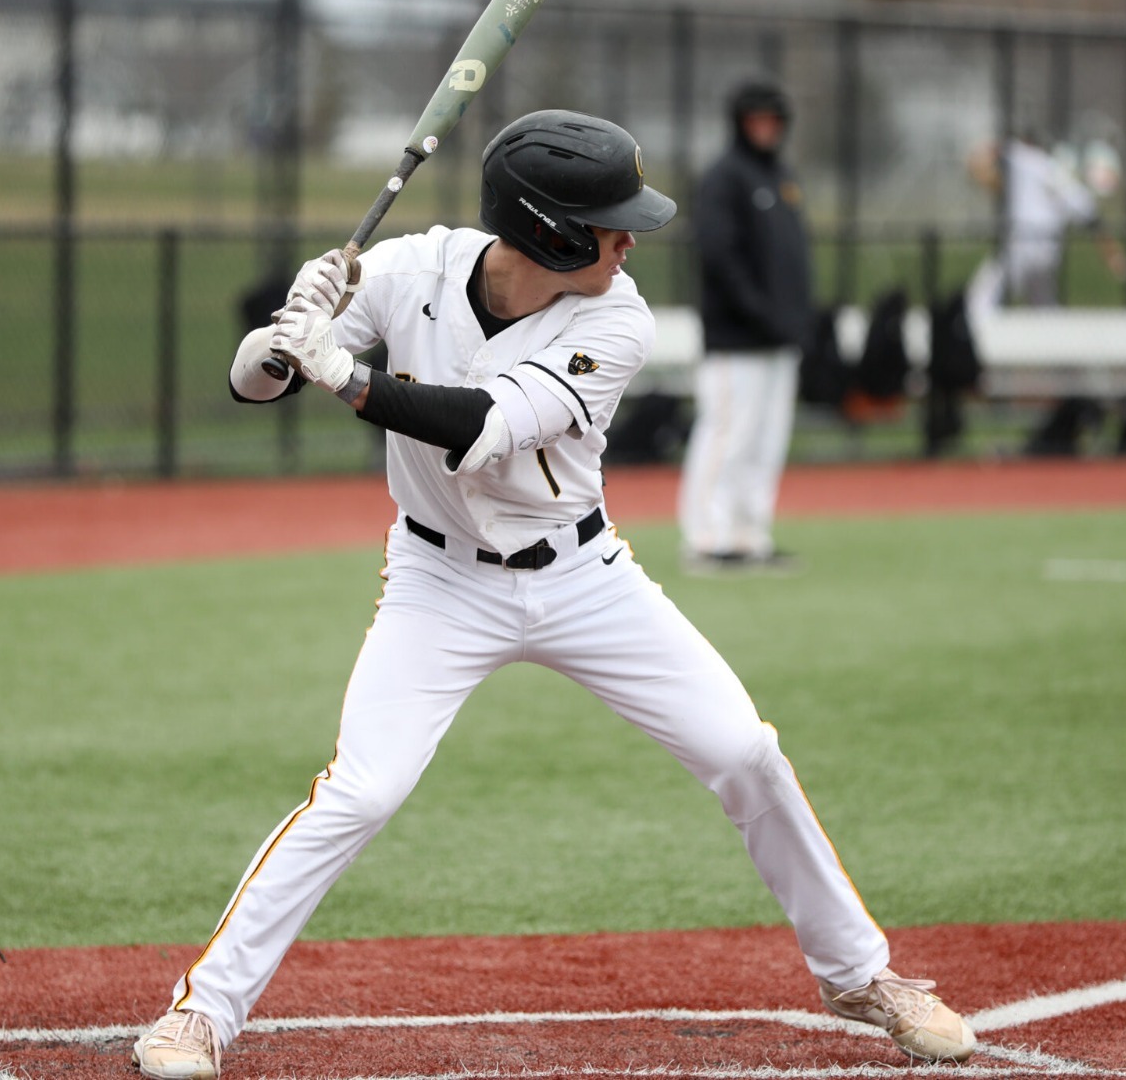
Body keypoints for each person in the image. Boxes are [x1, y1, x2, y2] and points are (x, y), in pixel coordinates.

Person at [132, 109, 975, 1080]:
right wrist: (289, 325)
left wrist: (345, 375)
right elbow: (253, 385)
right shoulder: (407, 271)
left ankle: (859, 975)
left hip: (583, 578)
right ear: (550, 231)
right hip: (437, 581)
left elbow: (480, 424)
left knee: (744, 751)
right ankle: (201, 1013)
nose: (629, 239)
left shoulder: (616, 316)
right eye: (609, 222)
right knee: (362, 791)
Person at [678, 80, 814, 573]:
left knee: (767, 441)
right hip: (737, 340)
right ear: (739, 122)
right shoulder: (723, 178)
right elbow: (719, 256)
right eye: (756, 118)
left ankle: (748, 534)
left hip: (780, 340)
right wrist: (760, 311)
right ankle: (708, 538)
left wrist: (797, 321)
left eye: (774, 120)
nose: (766, 128)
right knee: (727, 435)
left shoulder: (780, 176)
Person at [970, 130, 1126, 307]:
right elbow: (1095, 223)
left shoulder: (1029, 158)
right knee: (1044, 304)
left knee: (983, 296)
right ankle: (1056, 332)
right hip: (1049, 250)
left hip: (1023, 243)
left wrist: (979, 162)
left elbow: (990, 151)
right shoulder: (1068, 182)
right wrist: (1114, 255)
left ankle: (970, 329)